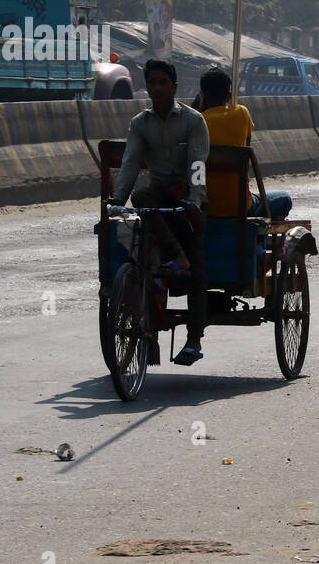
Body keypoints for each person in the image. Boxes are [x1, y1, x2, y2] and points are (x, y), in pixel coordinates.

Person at [110, 59, 210, 366]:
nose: (156, 88)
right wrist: (117, 200)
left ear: (174, 87)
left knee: (197, 269)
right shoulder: (140, 123)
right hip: (156, 194)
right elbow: (130, 163)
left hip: (186, 197)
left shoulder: (193, 121)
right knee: (141, 197)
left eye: (162, 83)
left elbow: (197, 164)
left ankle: (194, 339)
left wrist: (195, 200)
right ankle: (173, 254)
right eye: (151, 82)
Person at [197, 66, 292, 220]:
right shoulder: (242, 113)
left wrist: (199, 109)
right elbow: (246, 145)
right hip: (240, 207)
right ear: (228, 96)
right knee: (284, 199)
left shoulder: (197, 123)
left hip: (205, 207)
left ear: (203, 95)